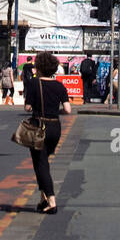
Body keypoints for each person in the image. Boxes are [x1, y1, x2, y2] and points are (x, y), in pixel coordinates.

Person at [22, 50, 72, 214]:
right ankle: (43, 198)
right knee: (42, 161)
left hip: (39, 126)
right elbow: (68, 110)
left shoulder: (34, 84)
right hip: (55, 128)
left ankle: (51, 200)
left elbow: (27, 107)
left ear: (39, 67)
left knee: (40, 163)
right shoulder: (59, 85)